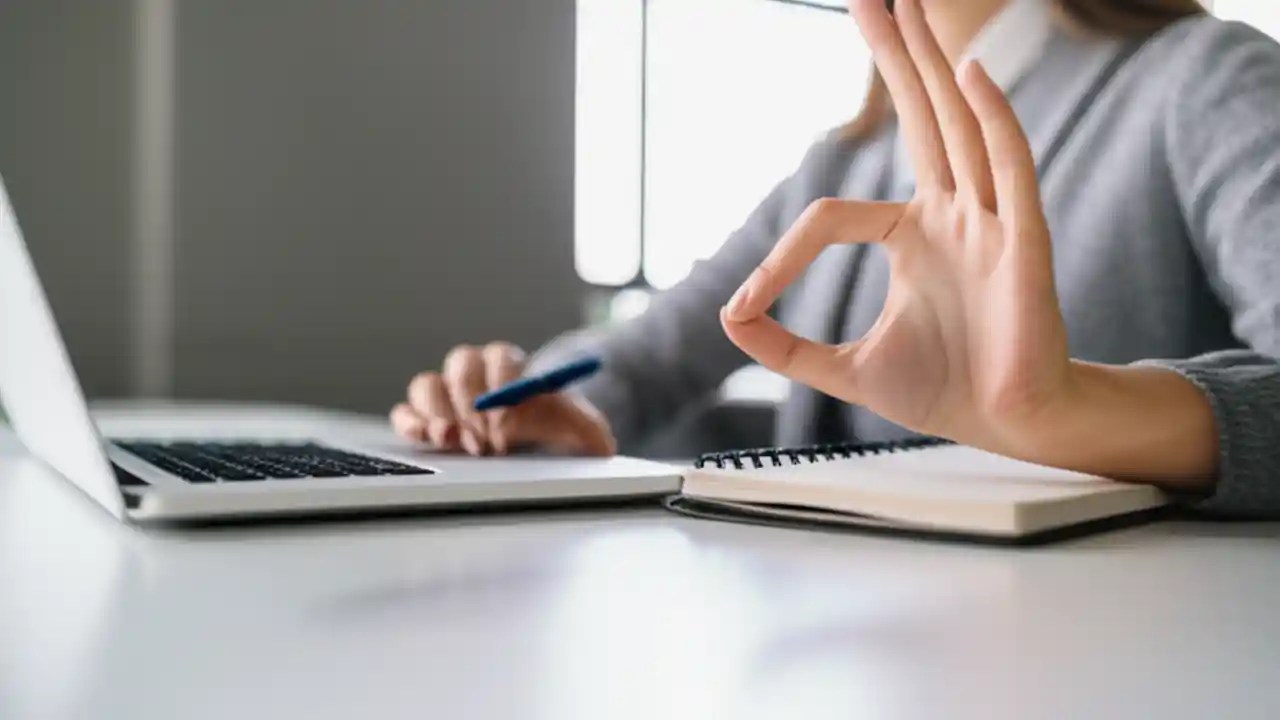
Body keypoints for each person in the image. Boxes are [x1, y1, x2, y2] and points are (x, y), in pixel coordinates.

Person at [391, 0, 1280, 517]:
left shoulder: (1202, 78)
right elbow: (650, 355)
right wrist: (544, 404)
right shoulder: (847, 158)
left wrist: (1077, 411)